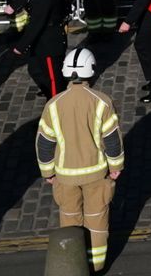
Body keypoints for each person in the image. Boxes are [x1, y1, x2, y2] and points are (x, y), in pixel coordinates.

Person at [35, 47, 123, 273]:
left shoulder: (53, 104)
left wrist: (48, 173)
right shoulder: (102, 102)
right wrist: (115, 166)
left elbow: (44, 144)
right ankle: (97, 265)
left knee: (70, 220)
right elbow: (112, 140)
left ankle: (75, 262)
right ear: (91, 71)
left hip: (65, 176)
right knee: (97, 220)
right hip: (96, 174)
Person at [6, 0, 71, 98]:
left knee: (53, 78)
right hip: (41, 42)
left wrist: (21, 45)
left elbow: (38, 22)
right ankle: (51, 94)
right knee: (35, 69)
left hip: (50, 42)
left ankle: (56, 101)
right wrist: (15, 5)